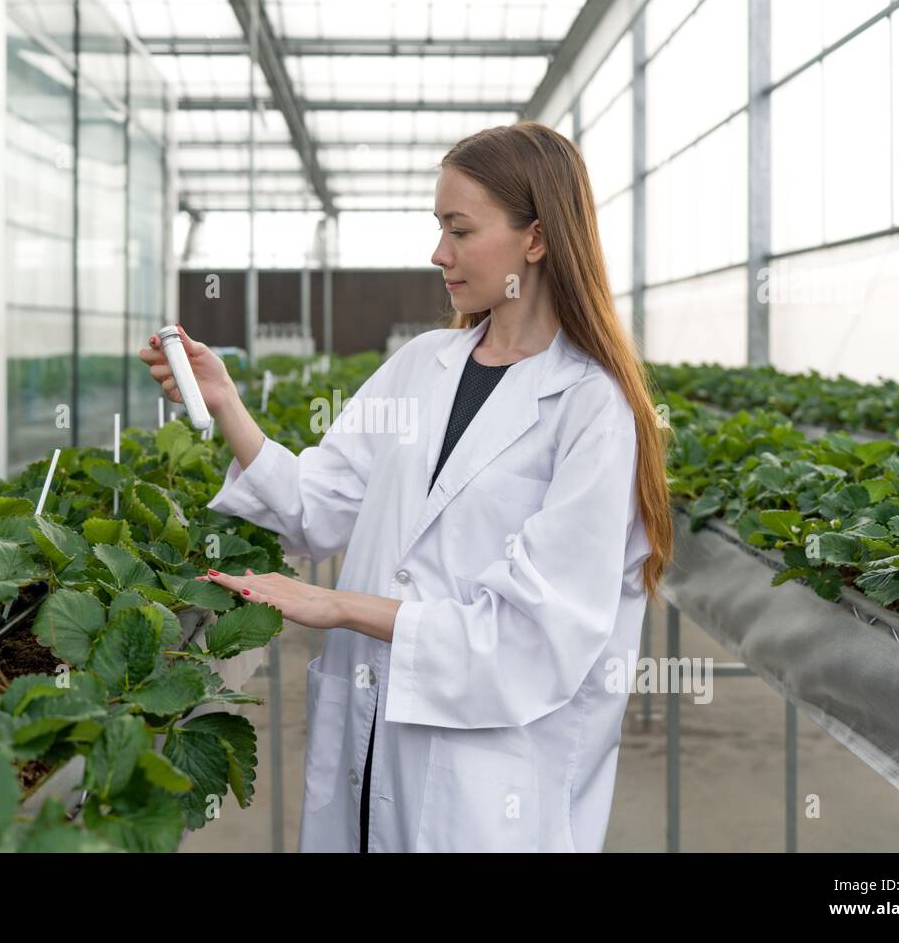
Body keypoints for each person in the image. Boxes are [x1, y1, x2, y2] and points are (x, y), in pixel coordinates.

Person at [137, 120, 672, 853]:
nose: (438, 253)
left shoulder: (591, 409)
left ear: (536, 240)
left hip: (487, 792)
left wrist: (336, 605)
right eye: (438, 227)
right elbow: (315, 504)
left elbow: (531, 641)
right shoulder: (425, 364)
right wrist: (225, 401)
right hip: (368, 743)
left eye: (459, 229)